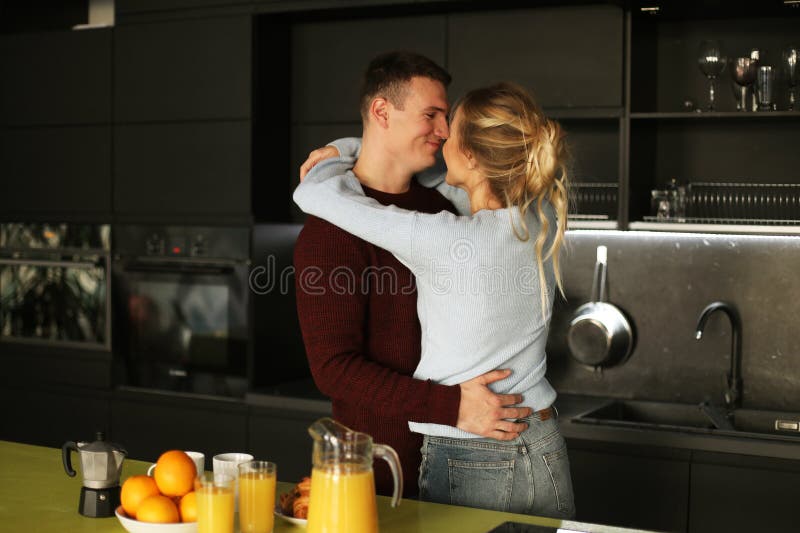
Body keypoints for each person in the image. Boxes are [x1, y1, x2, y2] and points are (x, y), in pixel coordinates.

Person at [294, 81, 575, 518]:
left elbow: (314, 194)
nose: (441, 133)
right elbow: (430, 177)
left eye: (451, 127)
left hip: (476, 455)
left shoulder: (442, 238)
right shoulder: (539, 218)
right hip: (542, 446)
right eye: (435, 119)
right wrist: (353, 146)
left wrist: (338, 151)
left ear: (470, 157)